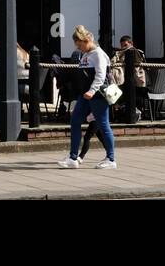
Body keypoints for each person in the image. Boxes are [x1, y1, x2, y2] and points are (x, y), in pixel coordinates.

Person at [58, 25, 116, 170]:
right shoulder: (86, 54)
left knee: (103, 125)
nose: (79, 48)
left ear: (86, 41)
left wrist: (92, 90)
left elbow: (101, 75)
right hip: (86, 95)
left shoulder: (98, 54)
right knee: (75, 121)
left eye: (79, 45)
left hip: (97, 95)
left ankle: (111, 159)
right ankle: (73, 158)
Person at [110, 35, 147, 116]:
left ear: (131, 43)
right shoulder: (120, 53)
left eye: (125, 45)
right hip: (124, 81)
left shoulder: (136, 52)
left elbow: (138, 65)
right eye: (122, 46)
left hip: (136, 82)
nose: (124, 47)